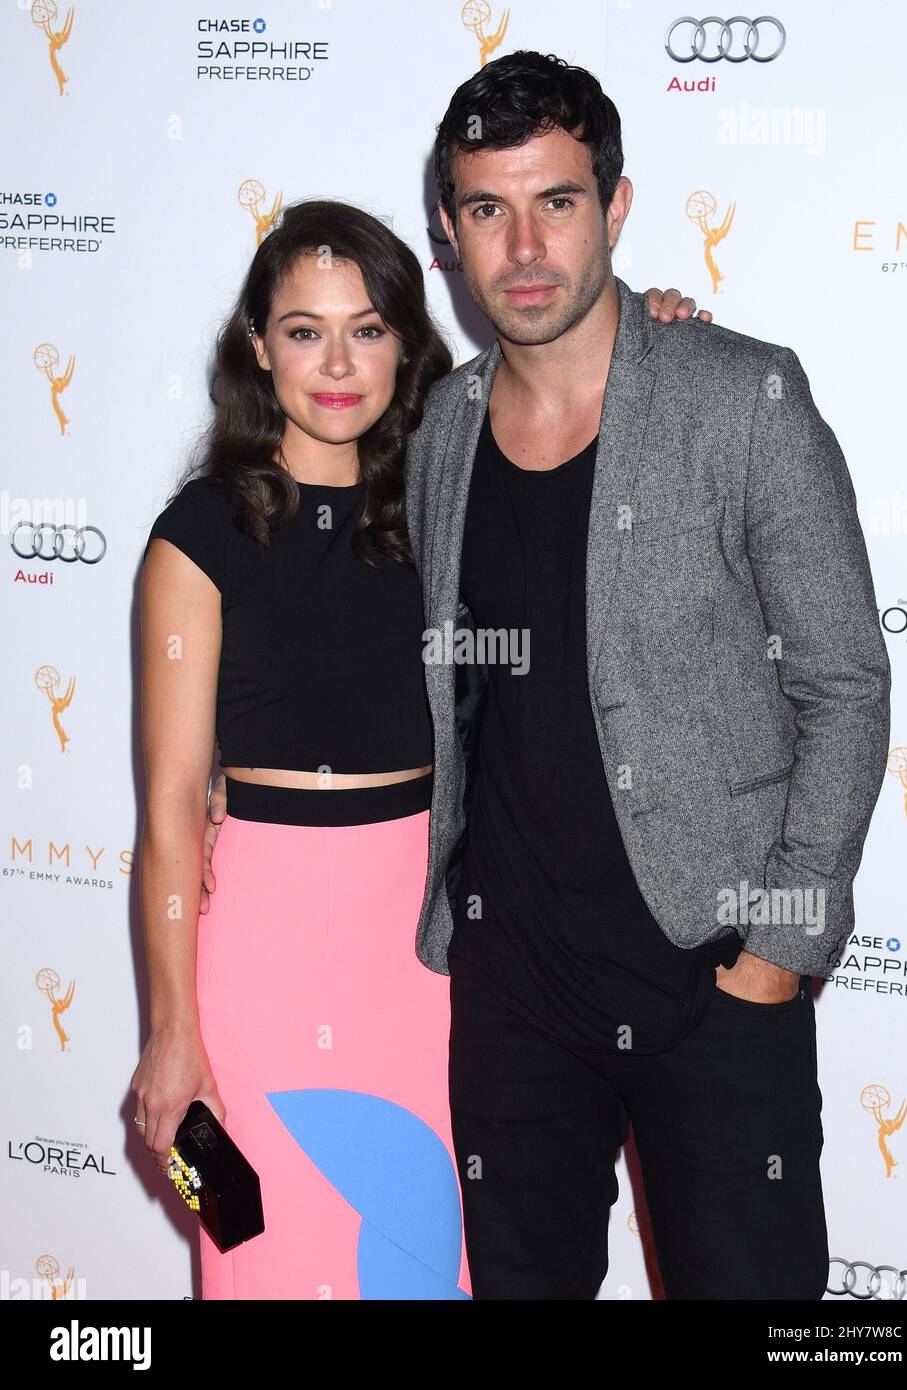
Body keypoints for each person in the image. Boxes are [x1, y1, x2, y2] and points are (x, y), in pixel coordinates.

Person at [132, 195, 707, 1300]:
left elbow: (583, 420)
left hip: (434, 943)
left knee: (424, 1255)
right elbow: (167, 808)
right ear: (258, 347)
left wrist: (659, 336)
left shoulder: (454, 491)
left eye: (368, 328)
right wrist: (169, 1032)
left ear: (407, 338)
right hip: (256, 941)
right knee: (250, 1239)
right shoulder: (199, 535)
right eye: (304, 330)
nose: (337, 363)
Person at [397, 50, 890, 1300]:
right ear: (449, 231)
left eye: (555, 202)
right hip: (513, 1003)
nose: (522, 246)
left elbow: (843, 686)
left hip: (712, 984)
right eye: (486, 209)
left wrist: (775, 954)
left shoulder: (741, 397)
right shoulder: (440, 430)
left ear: (614, 208)